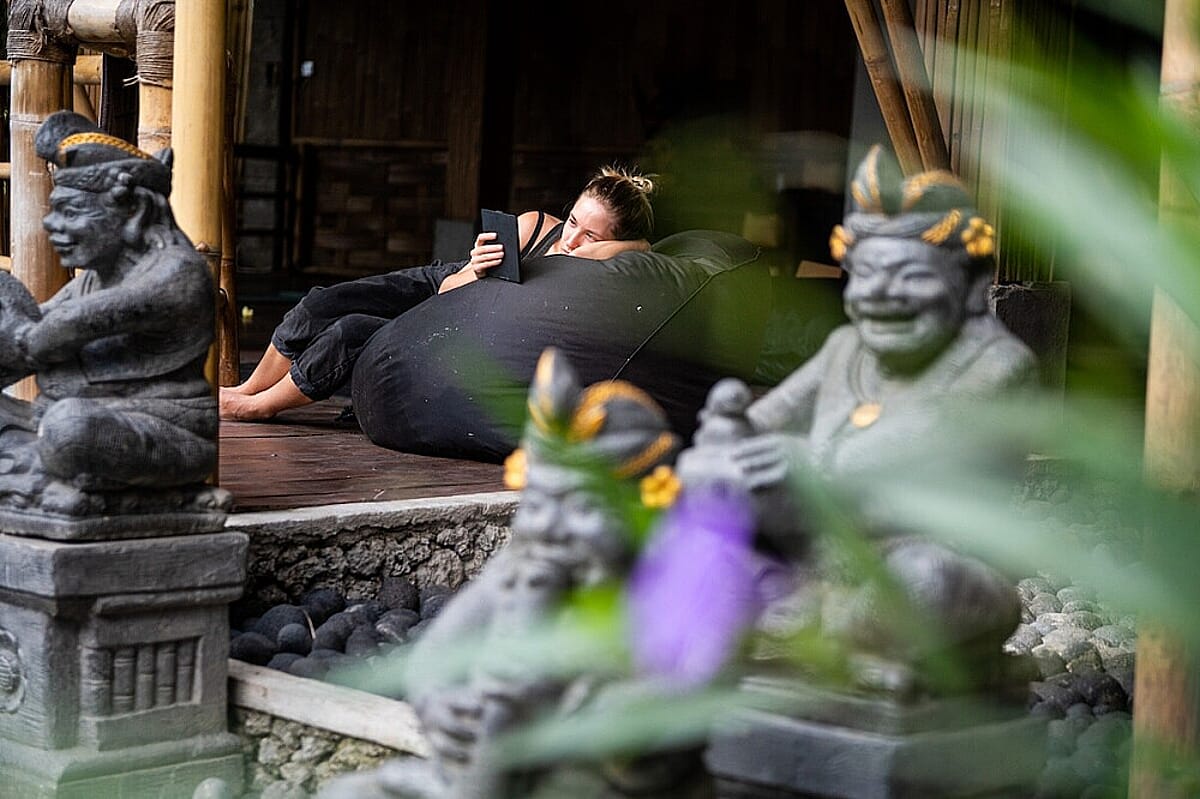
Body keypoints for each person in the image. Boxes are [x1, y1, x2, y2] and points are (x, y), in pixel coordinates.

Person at [219, 165, 656, 421]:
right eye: (574, 220)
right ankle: (250, 388)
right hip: (449, 285)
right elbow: (448, 287)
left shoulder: (599, 266)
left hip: (459, 320)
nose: (572, 238)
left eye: (590, 235)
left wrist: (617, 246)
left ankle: (261, 408)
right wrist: (477, 267)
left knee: (351, 332)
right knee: (320, 302)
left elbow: (642, 249)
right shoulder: (534, 227)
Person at [0, 111, 219, 517]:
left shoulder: (177, 274)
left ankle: (53, 483)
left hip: (159, 434)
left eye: (72, 211)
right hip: (59, 421)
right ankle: (51, 481)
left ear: (133, 210)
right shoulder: (93, 279)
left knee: (71, 430)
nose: (51, 224)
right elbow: (28, 340)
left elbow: (45, 337)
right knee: (55, 425)